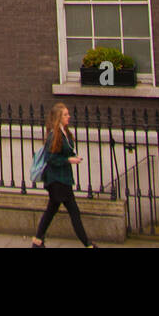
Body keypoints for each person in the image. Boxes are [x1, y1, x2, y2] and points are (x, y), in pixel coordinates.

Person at [31, 102, 94, 247]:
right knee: (74, 212)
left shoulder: (64, 133)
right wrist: (69, 160)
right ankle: (87, 243)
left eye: (68, 114)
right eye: (65, 115)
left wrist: (72, 157)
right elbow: (51, 158)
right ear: (59, 117)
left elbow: (68, 150)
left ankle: (37, 241)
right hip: (57, 180)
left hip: (62, 179)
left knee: (51, 211)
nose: (69, 117)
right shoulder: (54, 135)